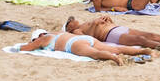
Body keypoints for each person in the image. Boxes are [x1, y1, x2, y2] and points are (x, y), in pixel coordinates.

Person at [17, 28, 151, 64]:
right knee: (116, 48)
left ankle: (114, 58)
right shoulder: (58, 33)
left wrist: (29, 44)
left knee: (95, 54)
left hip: (73, 44)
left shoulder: (43, 39)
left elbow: (25, 48)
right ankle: (144, 51)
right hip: (83, 38)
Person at [63, 15, 160, 50]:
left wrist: (107, 20)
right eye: (70, 21)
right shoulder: (76, 31)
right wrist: (95, 24)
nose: (72, 20)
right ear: (68, 28)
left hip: (116, 27)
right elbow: (89, 40)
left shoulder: (85, 23)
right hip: (109, 35)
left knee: (149, 34)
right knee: (140, 40)